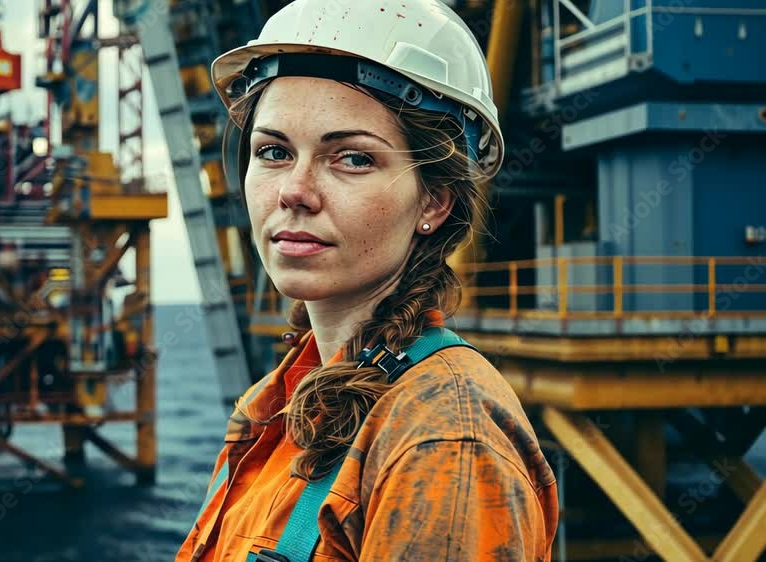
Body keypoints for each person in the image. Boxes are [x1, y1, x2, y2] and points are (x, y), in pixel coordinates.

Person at [177, 1, 559, 561]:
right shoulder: (275, 405)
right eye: (274, 152)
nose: (294, 191)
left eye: (351, 158)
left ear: (434, 200)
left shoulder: (443, 441)